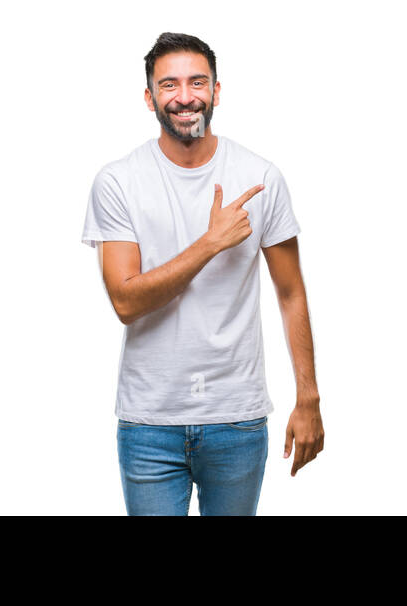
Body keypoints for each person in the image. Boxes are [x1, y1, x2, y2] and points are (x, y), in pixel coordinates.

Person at [82, 33, 325, 516]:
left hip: (236, 416)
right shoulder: (118, 181)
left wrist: (309, 397)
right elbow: (125, 302)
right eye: (169, 85)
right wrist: (210, 243)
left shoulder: (260, 176)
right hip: (150, 421)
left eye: (197, 82)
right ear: (150, 97)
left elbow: (291, 292)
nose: (185, 96)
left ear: (216, 90)